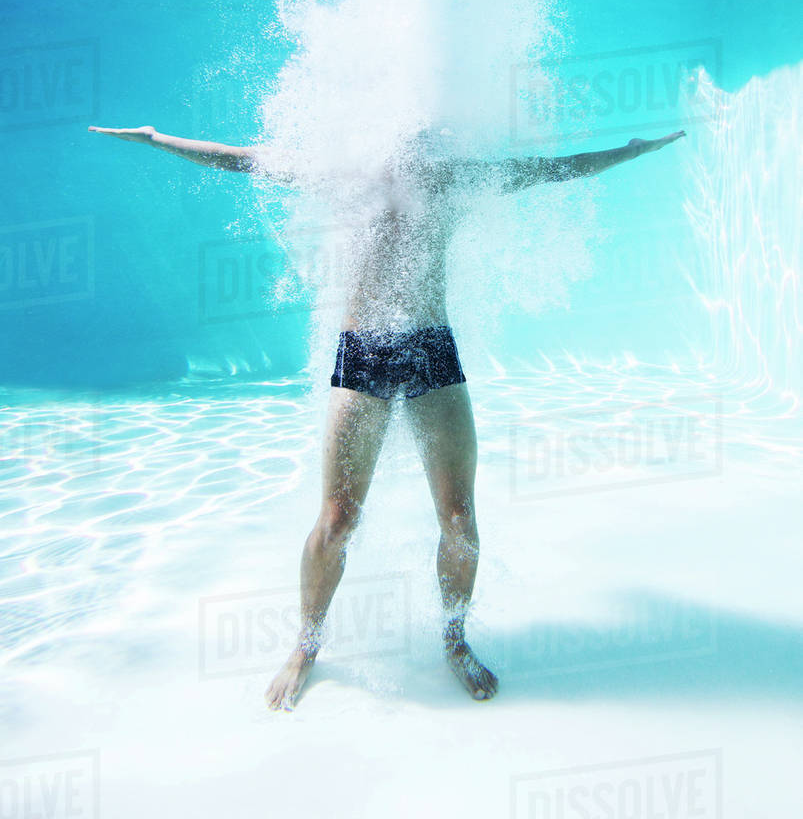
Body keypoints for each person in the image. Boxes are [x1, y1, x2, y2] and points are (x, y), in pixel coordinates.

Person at [89, 121, 685, 707]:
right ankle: (307, 644)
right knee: (338, 519)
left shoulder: (455, 178)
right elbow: (240, 158)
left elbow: (555, 170)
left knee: (458, 519)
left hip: (431, 352)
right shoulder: (347, 174)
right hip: (365, 352)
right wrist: (158, 139)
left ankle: (453, 639)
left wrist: (628, 153)